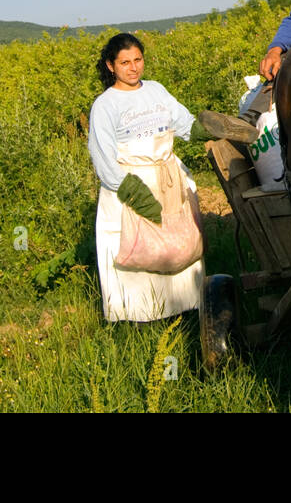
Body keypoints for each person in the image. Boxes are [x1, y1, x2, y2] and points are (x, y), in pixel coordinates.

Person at [87, 32, 255, 322]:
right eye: (125, 62)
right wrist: (134, 193)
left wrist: (207, 129)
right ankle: (139, 319)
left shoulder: (156, 90)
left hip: (167, 177)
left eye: (138, 59)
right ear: (110, 66)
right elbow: (103, 158)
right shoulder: (105, 105)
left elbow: (183, 124)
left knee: (180, 242)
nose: (133, 67)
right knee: (138, 249)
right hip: (132, 182)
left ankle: (187, 305)